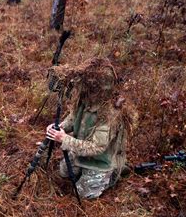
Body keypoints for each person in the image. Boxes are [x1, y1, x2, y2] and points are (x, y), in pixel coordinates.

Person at [45, 58, 131, 199]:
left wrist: (64, 139)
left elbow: (96, 148)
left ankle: (113, 175)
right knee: (63, 173)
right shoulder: (86, 98)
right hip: (80, 150)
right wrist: (60, 127)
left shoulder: (110, 113)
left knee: (83, 194)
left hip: (100, 161)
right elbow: (74, 117)